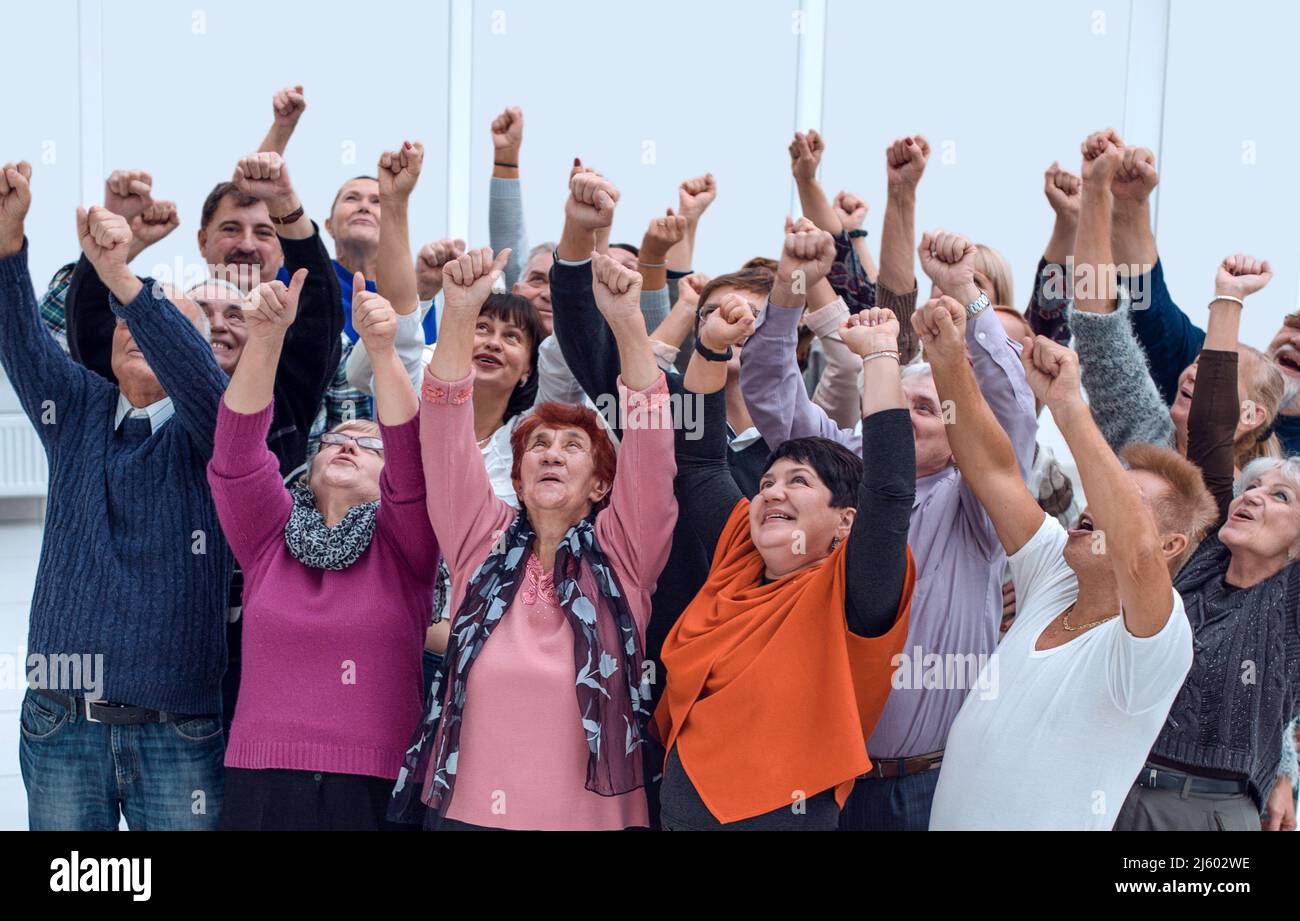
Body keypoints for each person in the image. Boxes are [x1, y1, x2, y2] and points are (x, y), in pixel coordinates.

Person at [740, 154, 1038, 831]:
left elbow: (1013, 414)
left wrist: (966, 294)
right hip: (816, 775)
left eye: (932, 403)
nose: (910, 409)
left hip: (929, 782)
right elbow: (768, 390)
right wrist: (791, 284)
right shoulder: (840, 464)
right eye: (900, 398)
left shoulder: (979, 504)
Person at [390, 248, 676, 831]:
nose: (551, 453)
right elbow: (444, 430)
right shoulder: (482, 539)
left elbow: (649, 441)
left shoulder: (626, 553)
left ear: (602, 483)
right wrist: (460, 313)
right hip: (467, 815)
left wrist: (625, 320)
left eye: (573, 447)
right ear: (515, 480)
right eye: (537, 447)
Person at [1, 163, 231, 830]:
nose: (133, 329)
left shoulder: (213, 433)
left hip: (177, 733)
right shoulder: (76, 410)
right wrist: (10, 240)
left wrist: (129, 283)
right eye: (125, 323)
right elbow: (19, 338)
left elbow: (203, 387)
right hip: (59, 723)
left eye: (157, 322)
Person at [922, 308, 1212, 829]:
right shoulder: (1056, 573)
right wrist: (947, 361)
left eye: (1122, 497)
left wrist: (1069, 406)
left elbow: (1136, 554)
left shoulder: (1159, 642)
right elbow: (992, 470)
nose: (1092, 504)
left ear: (1170, 544)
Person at [652, 262, 916, 830]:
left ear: (846, 521)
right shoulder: (741, 558)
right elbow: (698, 462)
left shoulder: (855, 592)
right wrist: (711, 349)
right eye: (768, 481)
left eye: (800, 482)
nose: (773, 491)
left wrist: (879, 357)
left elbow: (890, 491)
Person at [208, 263, 438, 831]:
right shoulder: (269, 539)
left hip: (375, 786)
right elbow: (235, 457)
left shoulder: (405, 544)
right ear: (307, 467)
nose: (346, 445)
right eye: (335, 438)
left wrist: (383, 353)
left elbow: (413, 467)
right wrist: (265, 339)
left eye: (368, 446)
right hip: (261, 783)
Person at [1027, 138, 1300, 456]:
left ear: (1252, 418)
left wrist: (1230, 298)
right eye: (1293, 326)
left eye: (1216, 372)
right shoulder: (1147, 434)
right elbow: (1110, 322)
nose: (1197, 370)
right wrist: (1120, 204)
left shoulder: (1243, 494)